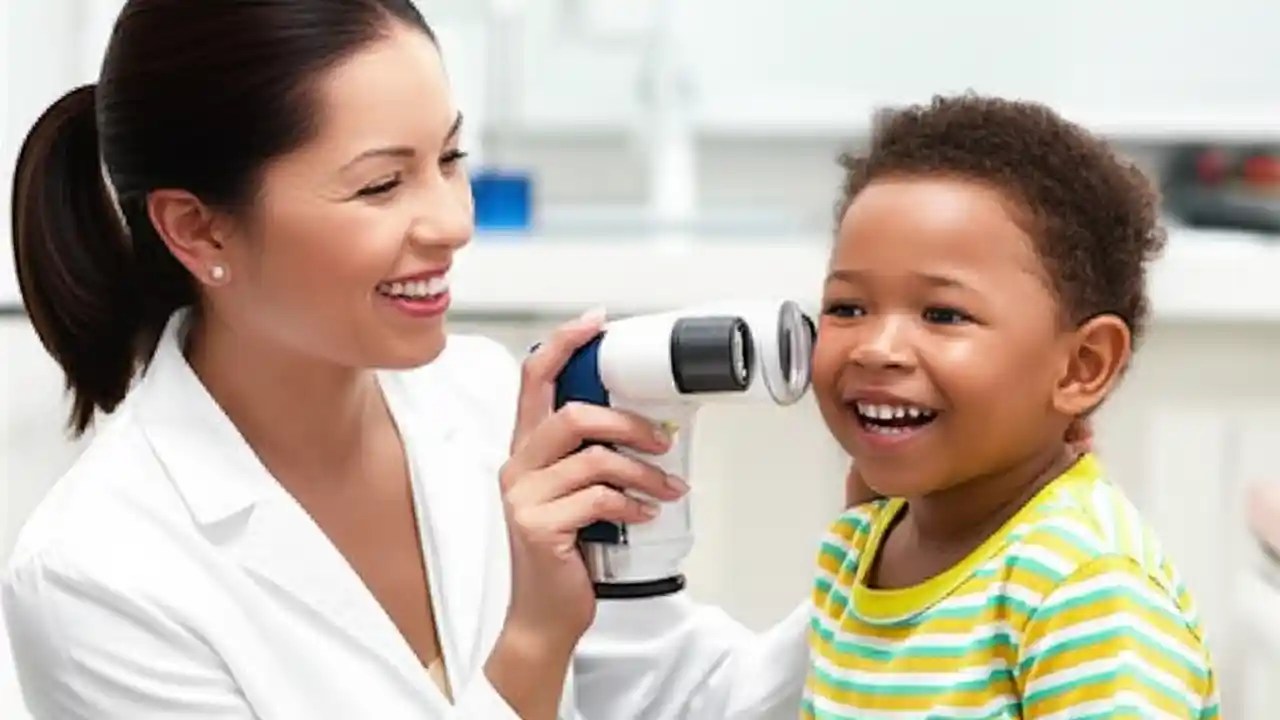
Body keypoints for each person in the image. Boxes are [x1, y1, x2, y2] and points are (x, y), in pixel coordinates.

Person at [0, 2, 810, 718]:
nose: (453, 222)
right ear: (198, 229)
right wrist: (530, 643)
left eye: (450, 160)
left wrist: (901, 562)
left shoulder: (488, 403)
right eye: (383, 185)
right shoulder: (97, 575)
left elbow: (666, 699)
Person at [802, 94, 1220, 718]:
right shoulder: (858, 542)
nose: (877, 348)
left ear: (1083, 366)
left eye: (943, 314)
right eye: (847, 308)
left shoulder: (1085, 586)